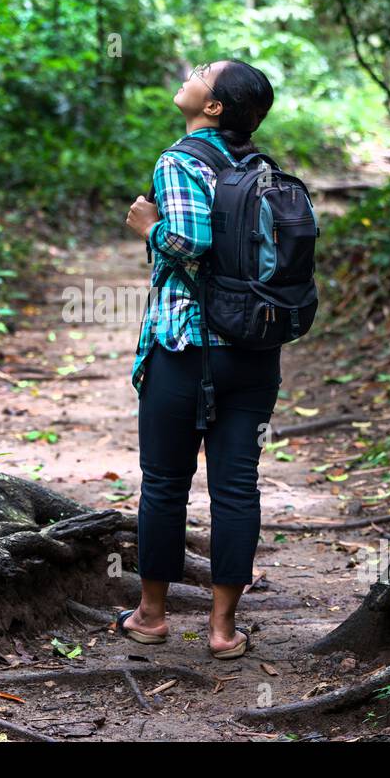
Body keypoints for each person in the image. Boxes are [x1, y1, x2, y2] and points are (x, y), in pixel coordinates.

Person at [120, 59, 280, 660]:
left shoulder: (179, 160)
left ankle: (152, 616)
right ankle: (222, 630)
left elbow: (192, 244)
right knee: (236, 488)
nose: (191, 72)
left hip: (185, 347)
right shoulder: (261, 167)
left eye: (203, 72)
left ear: (213, 107)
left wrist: (149, 224)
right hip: (255, 348)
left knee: (165, 483)